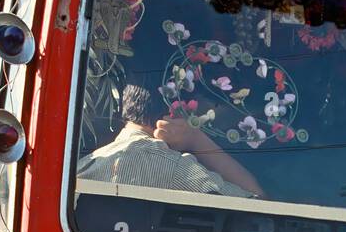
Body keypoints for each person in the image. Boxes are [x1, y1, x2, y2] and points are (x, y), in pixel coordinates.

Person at [77, 85, 264, 198]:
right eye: (207, 116)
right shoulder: (170, 166)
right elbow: (259, 206)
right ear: (177, 113)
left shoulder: (85, 165)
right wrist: (197, 139)